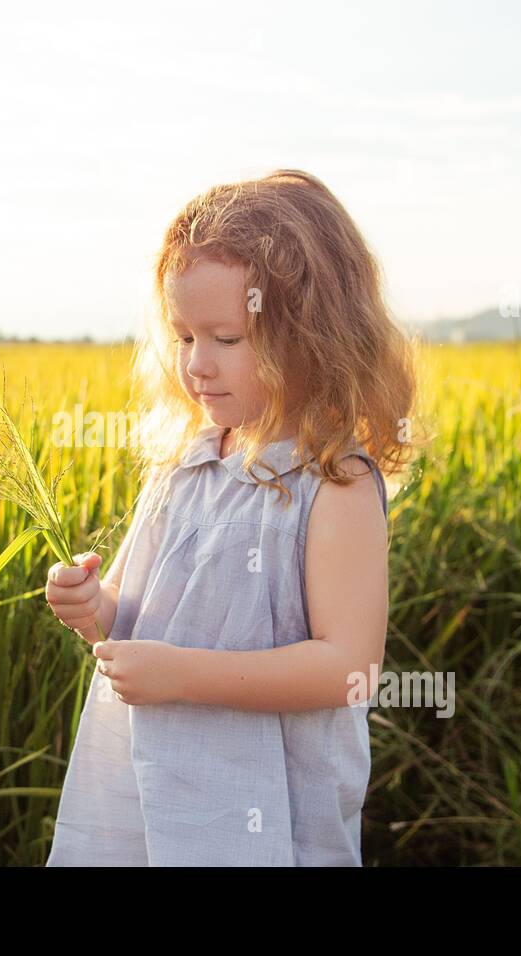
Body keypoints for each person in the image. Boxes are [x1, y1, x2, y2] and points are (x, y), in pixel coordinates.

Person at [43, 168, 418, 866]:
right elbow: (123, 621)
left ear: (314, 338)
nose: (197, 367)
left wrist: (181, 675)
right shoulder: (185, 466)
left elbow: (349, 668)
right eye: (184, 338)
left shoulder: (331, 482)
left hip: (261, 813)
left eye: (227, 338)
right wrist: (88, 602)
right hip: (148, 798)